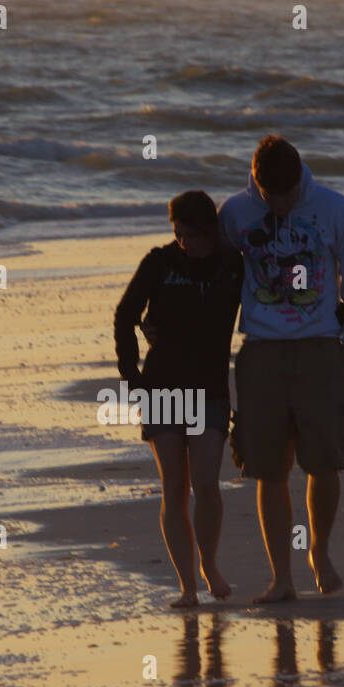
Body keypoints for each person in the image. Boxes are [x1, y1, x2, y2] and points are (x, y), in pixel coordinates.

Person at [218, 134, 344, 601]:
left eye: (286, 195)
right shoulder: (236, 213)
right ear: (257, 183)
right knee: (269, 469)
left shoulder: (333, 208)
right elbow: (219, 282)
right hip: (261, 349)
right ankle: (281, 577)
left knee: (324, 462)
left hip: (321, 347)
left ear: (299, 178)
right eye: (270, 196)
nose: (279, 203)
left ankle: (319, 551)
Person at [114, 191, 243, 607]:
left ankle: (210, 566)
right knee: (174, 488)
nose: (184, 243)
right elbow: (124, 315)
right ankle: (187, 586)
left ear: (211, 231)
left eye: (191, 235)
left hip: (209, 389)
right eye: (178, 234)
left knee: (207, 485)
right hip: (162, 388)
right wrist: (131, 374)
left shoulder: (231, 265)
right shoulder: (159, 262)